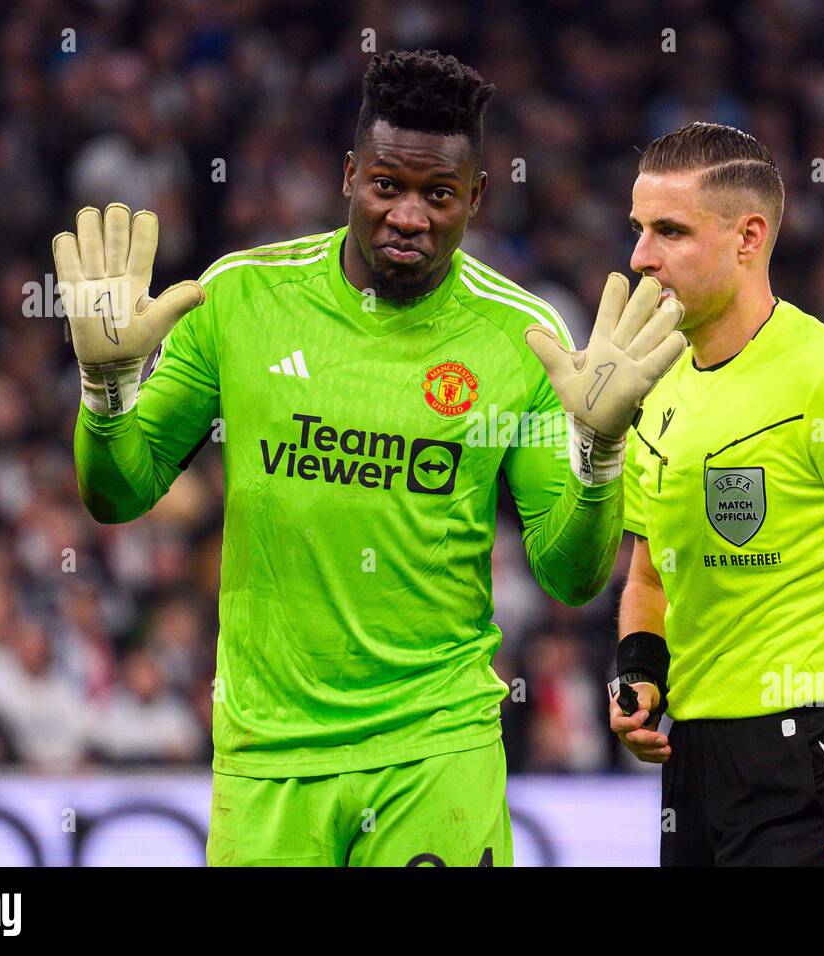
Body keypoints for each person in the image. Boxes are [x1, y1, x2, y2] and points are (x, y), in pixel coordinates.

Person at [54, 50, 684, 866]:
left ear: (477, 198)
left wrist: (599, 456)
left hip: (436, 746)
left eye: (439, 194)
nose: (409, 216)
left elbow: (570, 575)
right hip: (269, 756)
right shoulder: (242, 299)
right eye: (387, 184)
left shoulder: (520, 337)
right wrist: (108, 391)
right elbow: (117, 495)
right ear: (349, 174)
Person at [609, 122, 824, 866]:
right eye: (640, 230)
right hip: (694, 766)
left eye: (670, 231)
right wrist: (640, 670)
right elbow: (648, 572)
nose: (642, 257)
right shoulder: (657, 384)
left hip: (809, 764)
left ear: (748, 237)